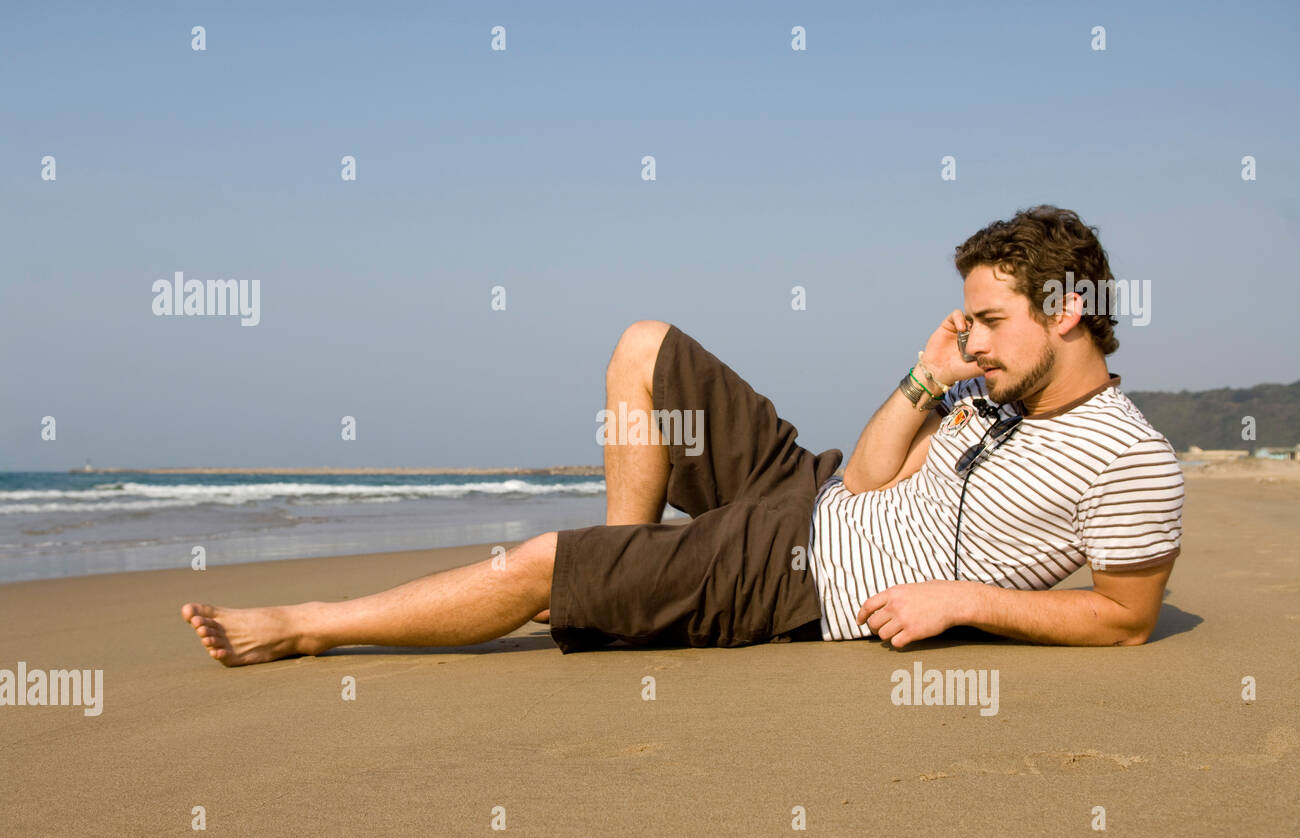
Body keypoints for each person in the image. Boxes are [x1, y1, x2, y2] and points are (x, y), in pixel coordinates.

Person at [182, 205, 1183, 665]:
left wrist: (962, 599)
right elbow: (876, 478)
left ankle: (306, 621)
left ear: (1068, 311)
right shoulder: (989, 392)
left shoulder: (1128, 456)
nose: (976, 340)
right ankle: (626, 569)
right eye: (964, 321)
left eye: (990, 322)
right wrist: (929, 376)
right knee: (645, 347)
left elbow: (1122, 618)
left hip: (805, 573)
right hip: (817, 489)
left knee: (539, 562)